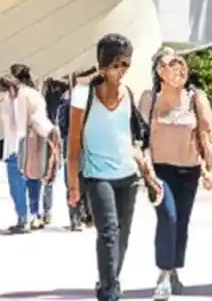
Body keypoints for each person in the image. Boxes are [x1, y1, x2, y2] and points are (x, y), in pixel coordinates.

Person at [67, 34, 161, 301]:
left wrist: (147, 173)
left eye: (126, 65)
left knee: (123, 236)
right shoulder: (82, 95)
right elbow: (73, 144)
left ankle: (108, 281)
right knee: (108, 231)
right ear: (103, 64)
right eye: (117, 64)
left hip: (128, 175)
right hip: (97, 175)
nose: (122, 71)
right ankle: (110, 292)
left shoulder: (128, 94)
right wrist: (73, 184)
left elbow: (131, 138)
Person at [139, 46, 212, 300]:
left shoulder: (196, 98)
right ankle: (163, 273)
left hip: (189, 170)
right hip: (160, 171)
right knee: (168, 218)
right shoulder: (149, 99)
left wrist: (209, 169)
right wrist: (146, 170)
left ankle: (173, 270)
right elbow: (141, 138)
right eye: (172, 64)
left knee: (181, 222)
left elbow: (207, 134)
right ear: (160, 71)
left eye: (182, 64)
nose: (179, 69)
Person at [0, 64, 56, 233]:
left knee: (16, 183)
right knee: (34, 180)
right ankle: (34, 215)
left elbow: (18, 124)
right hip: (37, 142)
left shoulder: (18, 96)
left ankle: (22, 218)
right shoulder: (36, 94)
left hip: (17, 145)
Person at [58, 65, 97, 231]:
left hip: (74, 145)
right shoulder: (96, 99)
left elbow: (63, 125)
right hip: (91, 145)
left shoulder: (70, 100)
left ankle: (75, 219)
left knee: (72, 182)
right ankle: (88, 216)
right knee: (87, 181)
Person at [40, 75, 70, 226]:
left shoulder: (46, 100)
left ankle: (45, 212)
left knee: (47, 177)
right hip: (59, 138)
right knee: (55, 177)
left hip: (49, 136)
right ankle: (47, 212)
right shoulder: (65, 100)